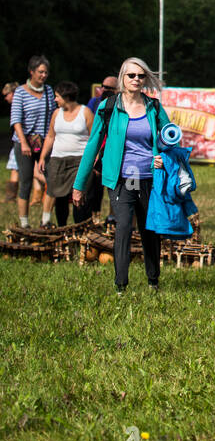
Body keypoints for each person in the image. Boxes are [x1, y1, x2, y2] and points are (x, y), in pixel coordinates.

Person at [71, 58, 171, 294]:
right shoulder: (108, 107)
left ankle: (153, 280)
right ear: (122, 78)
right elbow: (92, 146)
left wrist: (163, 156)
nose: (136, 80)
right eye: (131, 76)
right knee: (123, 226)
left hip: (148, 176)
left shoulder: (154, 107)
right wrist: (79, 184)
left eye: (141, 76)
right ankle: (120, 285)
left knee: (150, 231)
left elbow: (171, 138)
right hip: (121, 178)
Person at [34, 82, 93, 226]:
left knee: (78, 196)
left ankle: (80, 228)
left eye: (57, 97)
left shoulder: (85, 112)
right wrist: (42, 157)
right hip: (58, 159)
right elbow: (50, 136)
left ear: (66, 97)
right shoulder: (56, 113)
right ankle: (62, 228)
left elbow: (93, 138)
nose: (55, 100)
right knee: (59, 196)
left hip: (79, 160)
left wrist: (94, 159)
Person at [10, 57, 56, 228]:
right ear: (31, 72)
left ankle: (45, 220)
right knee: (26, 181)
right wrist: (23, 142)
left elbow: (53, 116)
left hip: (45, 142)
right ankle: (24, 223)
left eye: (46, 72)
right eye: (40, 72)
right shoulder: (21, 92)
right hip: (25, 142)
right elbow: (16, 120)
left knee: (52, 180)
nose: (44, 75)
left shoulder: (49, 91)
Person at [84, 74, 117, 221]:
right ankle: (94, 217)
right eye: (103, 86)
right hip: (99, 148)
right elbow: (92, 127)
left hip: (113, 150)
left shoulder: (121, 104)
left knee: (114, 186)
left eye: (109, 88)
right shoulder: (95, 102)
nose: (104, 89)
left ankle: (112, 216)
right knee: (95, 188)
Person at [3, 82, 20, 204]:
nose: (5, 98)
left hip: (21, 141)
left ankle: (10, 197)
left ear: (13, 94)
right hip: (21, 141)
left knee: (15, 167)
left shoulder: (18, 106)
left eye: (7, 94)